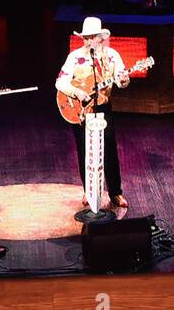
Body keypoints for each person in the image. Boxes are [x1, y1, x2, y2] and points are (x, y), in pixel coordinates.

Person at [55, 16, 131, 208]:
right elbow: (60, 82)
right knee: (84, 150)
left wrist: (123, 80)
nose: (88, 41)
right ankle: (89, 191)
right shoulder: (74, 57)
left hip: (103, 107)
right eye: (85, 38)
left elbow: (122, 82)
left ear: (100, 38)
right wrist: (77, 92)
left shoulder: (112, 56)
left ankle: (115, 192)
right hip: (81, 109)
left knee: (109, 149)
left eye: (92, 37)